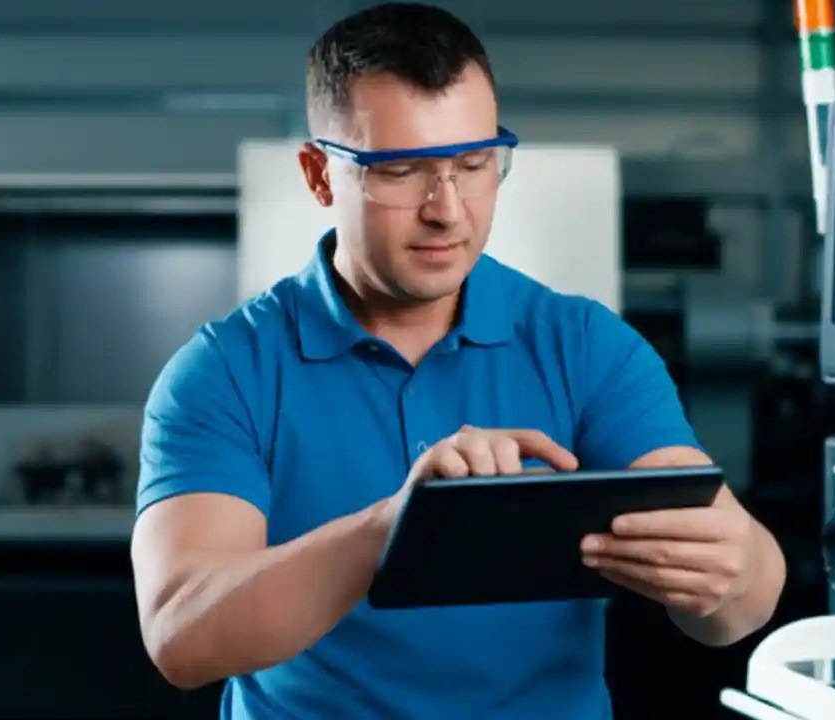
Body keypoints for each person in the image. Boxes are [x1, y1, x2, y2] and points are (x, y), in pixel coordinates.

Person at [129, 3, 787, 718]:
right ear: (320, 175)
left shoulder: (586, 347)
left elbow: (734, 604)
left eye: (474, 164)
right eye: (403, 171)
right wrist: (399, 525)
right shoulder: (225, 371)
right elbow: (182, 639)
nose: (448, 209)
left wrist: (735, 571)